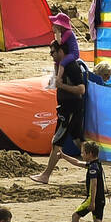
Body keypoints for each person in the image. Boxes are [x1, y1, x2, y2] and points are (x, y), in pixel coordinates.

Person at [29, 41, 87, 184]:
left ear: (61, 51)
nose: (51, 54)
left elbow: (81, 89)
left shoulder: (72, 67)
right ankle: (95, 169)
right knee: (78, 141)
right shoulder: (62, 67)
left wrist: (62, 86)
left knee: (57, 142)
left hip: (70, 110)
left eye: (53, 51)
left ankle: (46, 175)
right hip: (68, 108)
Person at [59, 140, 107, 222]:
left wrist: (92, 202)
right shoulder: (95, 164)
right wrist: (63, 156)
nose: (81, 155)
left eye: (83, 153)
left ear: (90, 154)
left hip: (93, 199)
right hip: (101, 199)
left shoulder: (93, 168)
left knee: (75, 216)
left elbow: (94, 184)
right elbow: (77, 162)